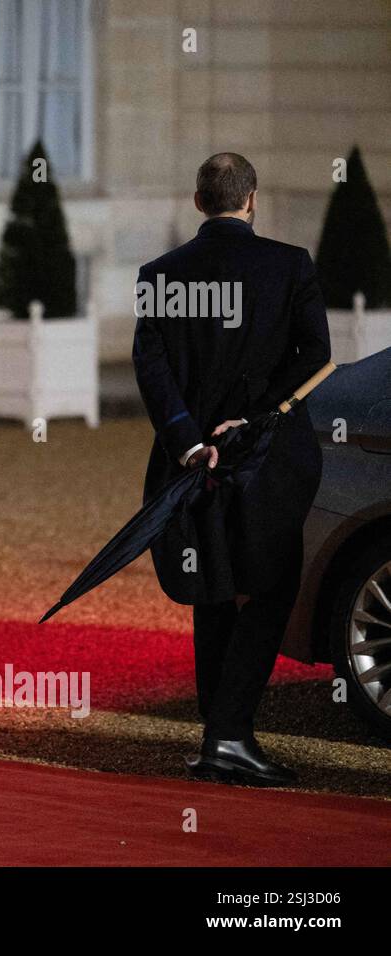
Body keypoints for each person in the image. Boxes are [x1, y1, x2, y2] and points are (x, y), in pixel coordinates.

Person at [132, 152, 331, 786]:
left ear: (198, 203)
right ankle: (228, 736)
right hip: (267, 460)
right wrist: (252, 418)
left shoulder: (159, 274)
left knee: (211, 586)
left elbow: (152, 371)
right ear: (251, 201)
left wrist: (190, 441)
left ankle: (220, 735)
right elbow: (316, 355)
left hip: (190, 466)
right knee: (270, 589)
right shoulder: (288, 264)